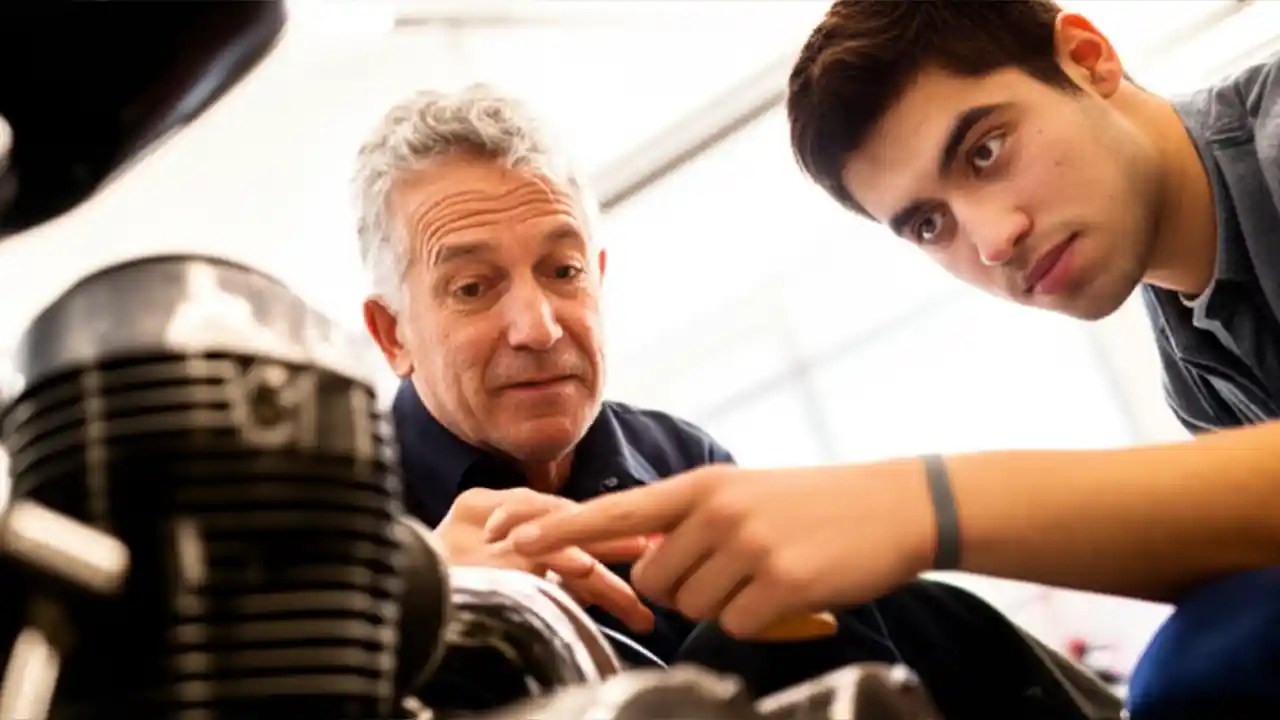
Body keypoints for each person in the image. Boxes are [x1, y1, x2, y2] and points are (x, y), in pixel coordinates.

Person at [508, 2, 1280, 717]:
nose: (990, 240)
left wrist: (925, 505)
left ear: (1087, 58)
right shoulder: (1198, 346)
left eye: (985, 150)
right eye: (929, 224)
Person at [351, 84, 1119, 717]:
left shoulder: (679, 461)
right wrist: (421, 606)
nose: (539, 326)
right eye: (473, 288)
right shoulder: (340, 534)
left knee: (899, 606)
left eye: (563, 271)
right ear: (393, 336)